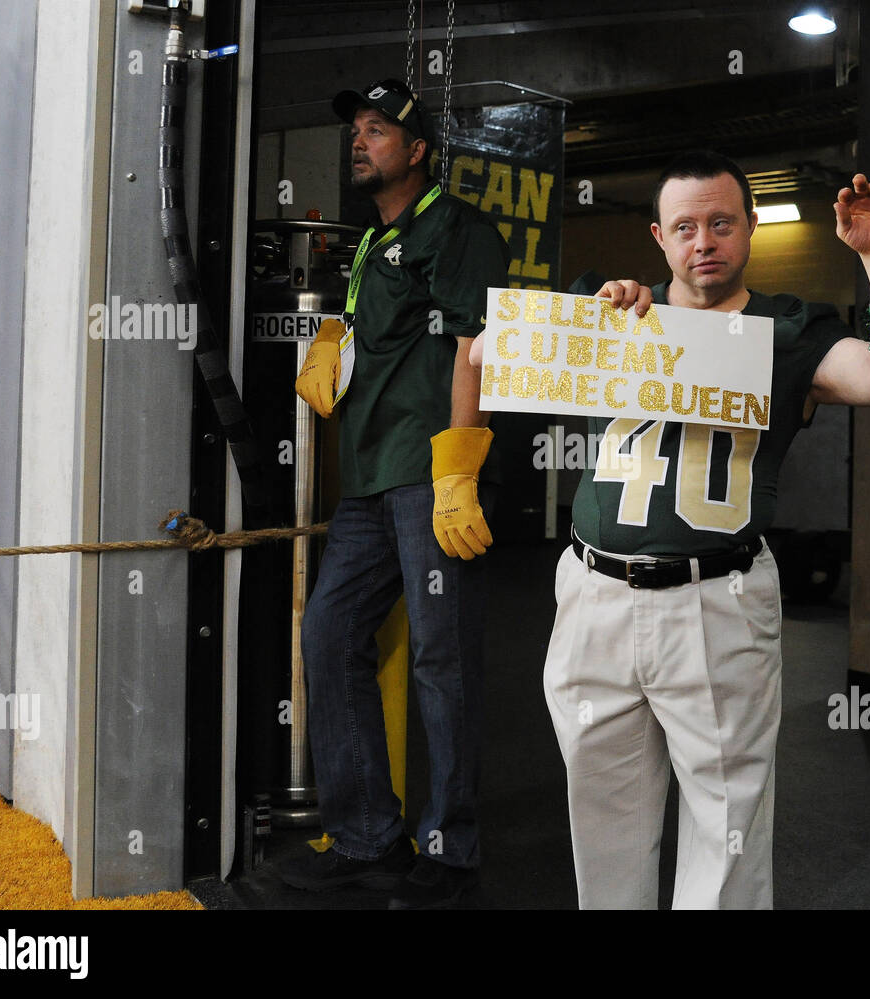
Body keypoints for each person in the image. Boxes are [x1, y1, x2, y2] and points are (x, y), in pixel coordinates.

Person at [476, 150, 870, 908]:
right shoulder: (613, 313)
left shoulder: (787, 329)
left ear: (748, 230)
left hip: (718, 597)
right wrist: (586, 320)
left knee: (727, 821)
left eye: (720, 223)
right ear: (659, 236)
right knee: (602, 817)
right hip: (593, 593)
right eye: (685, 227)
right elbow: (487, 352)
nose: (703, 240)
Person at [278, 78, 510, 908]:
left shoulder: (459, 229)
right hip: (370, 480)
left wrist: (457, 468)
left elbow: (472, 350)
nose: (360, 142)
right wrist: (338, 342)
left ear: (417, 151)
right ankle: (369, 832)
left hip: (427, 475)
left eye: (378, 131)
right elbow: (386, 340)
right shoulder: (373, 246)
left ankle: (450, 849)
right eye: (357, 131)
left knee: (443, 660)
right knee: (329, 632)